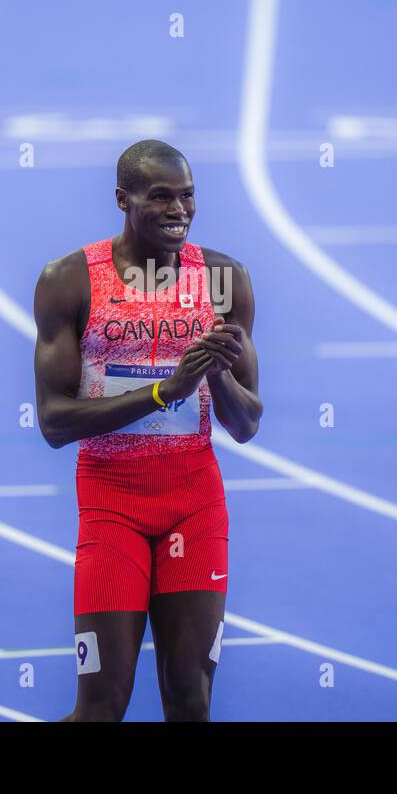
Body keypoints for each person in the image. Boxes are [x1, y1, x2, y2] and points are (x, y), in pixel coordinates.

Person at [33, 139, 262, 721]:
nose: (178, 210)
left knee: (191, 700)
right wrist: (166, 390)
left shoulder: (221, 280)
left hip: (194, 500)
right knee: (103, 704)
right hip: (112, 500)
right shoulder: (70, 281)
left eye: (187, 197)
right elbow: (55, 423)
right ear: (122, 199)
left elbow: (248, 424)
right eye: (160, 197)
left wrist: (215, 375)